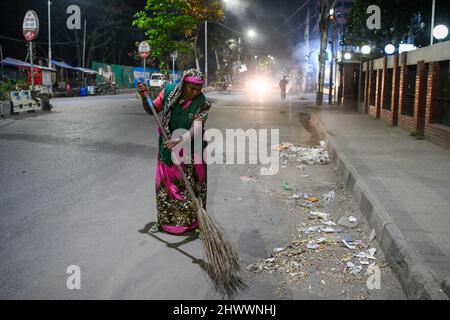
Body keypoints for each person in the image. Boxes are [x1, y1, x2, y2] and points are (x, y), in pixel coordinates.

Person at [137, 69, 211, 234]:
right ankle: (165, 223)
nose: (195, 92)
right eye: (192, 88)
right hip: (168, 146)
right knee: (167, 186)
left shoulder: (203, 102)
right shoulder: (169, 91)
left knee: (191, 186)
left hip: (191, 148)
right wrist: (144, 98)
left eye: (198, 89)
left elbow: (196, 127)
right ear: (184, 84)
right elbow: (153, 109)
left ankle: (194, 223)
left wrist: (180, 140)